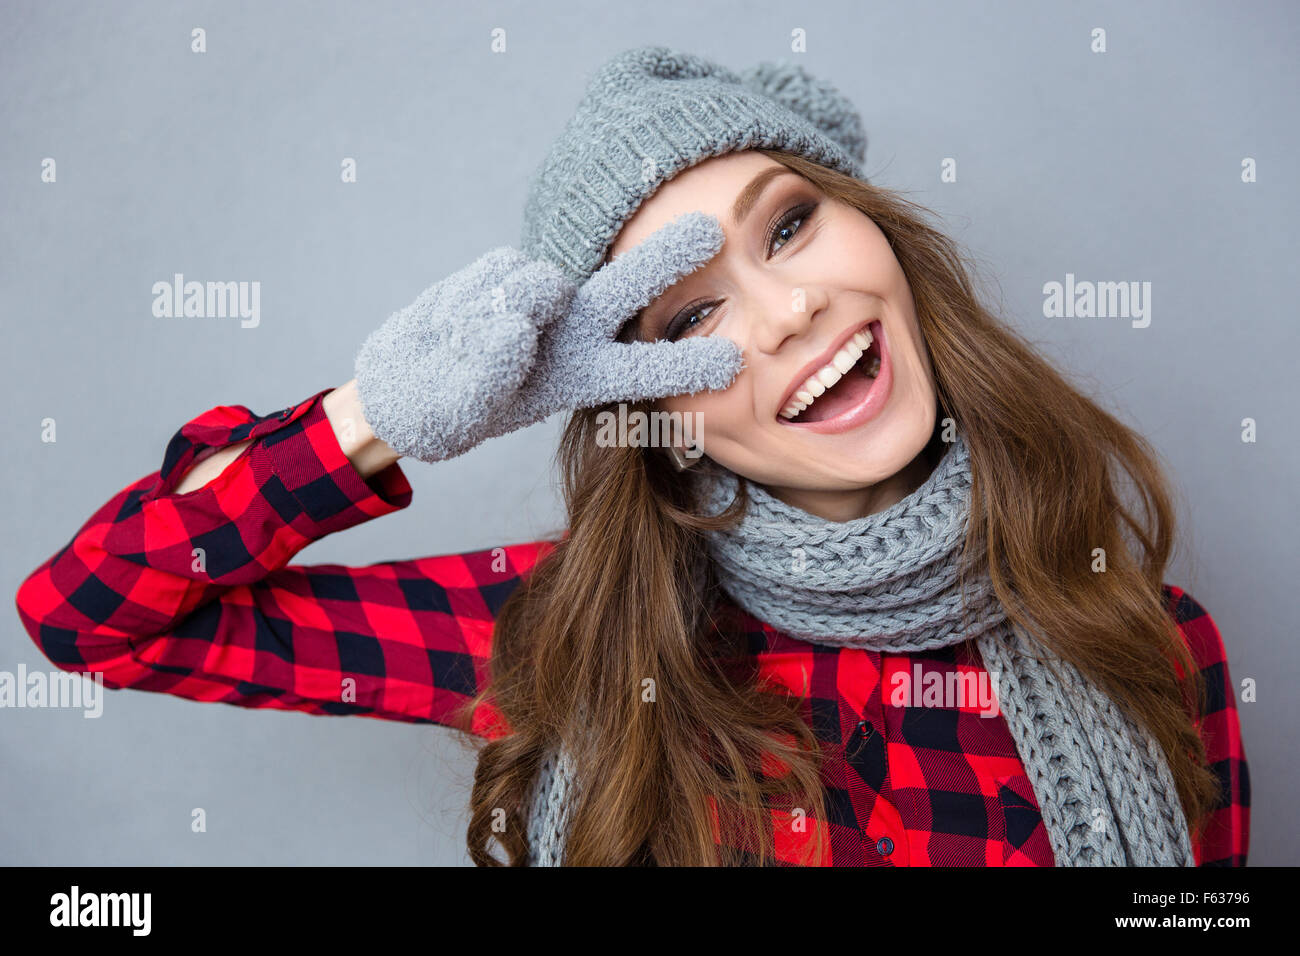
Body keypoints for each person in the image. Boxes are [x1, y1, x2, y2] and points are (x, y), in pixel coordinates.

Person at [15, 46, 1249, 867]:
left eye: (792, 223)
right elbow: (96, 618)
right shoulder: (558, 634)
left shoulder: (1148, 630)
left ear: (884, 236)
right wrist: (375, 416)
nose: (781, 315)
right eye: (686, 318)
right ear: (637, 396)